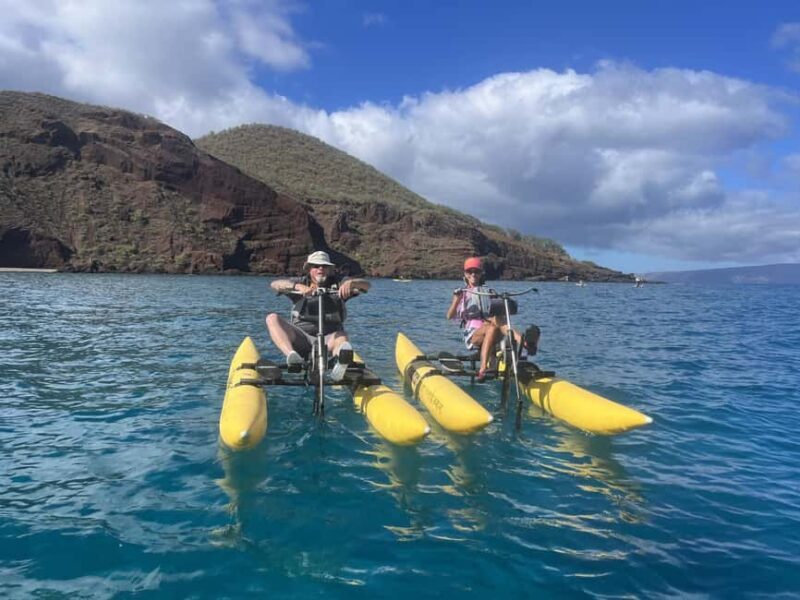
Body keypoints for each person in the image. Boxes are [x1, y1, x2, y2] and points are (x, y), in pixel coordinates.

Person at [267, 250, 370, 381]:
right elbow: (275, 284)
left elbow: (367, 285)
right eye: (316, 266)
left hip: (329, 340)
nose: (321, 268)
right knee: (272, 318)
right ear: (309, 269)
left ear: (330, 269)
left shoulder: (340, 283)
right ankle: (292, 357)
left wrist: (352, 283)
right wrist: (298, 287)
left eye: (325, 266)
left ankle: (340, 364)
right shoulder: (301, 282)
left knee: (342, 336)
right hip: (301, 338)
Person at [446, 257, 539, 382]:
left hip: (493, 329)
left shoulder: (489, 292)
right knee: (492, 324)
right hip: (473, 334)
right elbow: (449, 316)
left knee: (498, 319)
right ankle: (485, 367)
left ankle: (524, 344)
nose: (473, 274)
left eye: (476, 271)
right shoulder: (462, 293)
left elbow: (501, 312)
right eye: (470, 271)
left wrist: (506, 303)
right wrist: (457, 299)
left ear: (481, 273)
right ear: (465, 274)